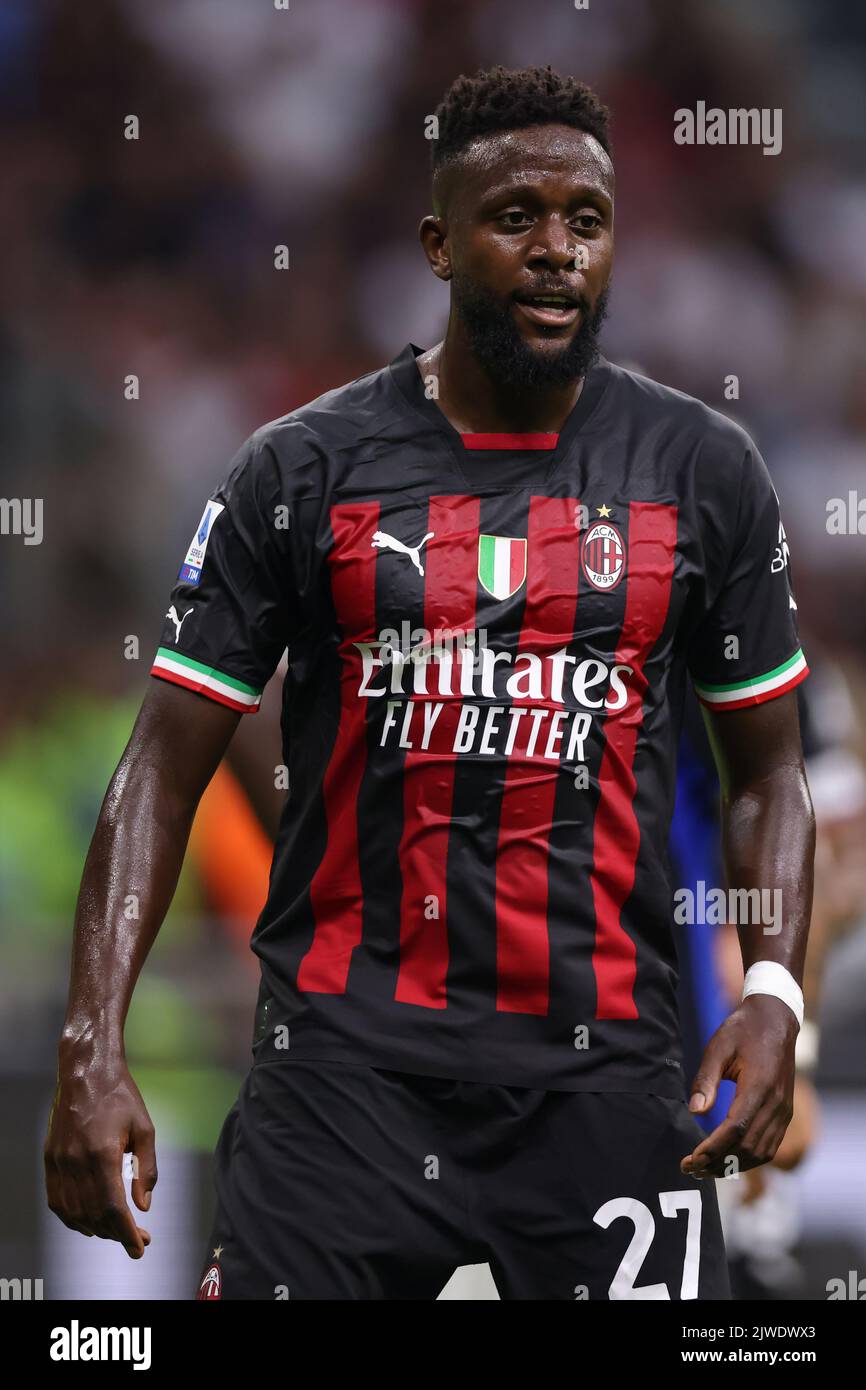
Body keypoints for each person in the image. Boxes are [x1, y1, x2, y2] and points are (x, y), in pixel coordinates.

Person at [45, 65, 814, 1301]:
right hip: (343, 1081)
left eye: (586, 219)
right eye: (515, 218)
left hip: (610, 1081)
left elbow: (768, 765)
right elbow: (164, 756)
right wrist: (91, 1041)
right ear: (438, 246)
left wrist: (773, 992)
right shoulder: (300, 467)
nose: (556, 249)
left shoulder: (700, 468)